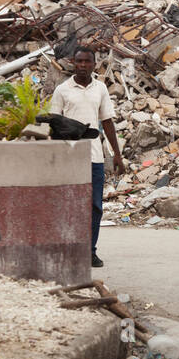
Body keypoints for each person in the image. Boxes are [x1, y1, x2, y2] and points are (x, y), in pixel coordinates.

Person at [50, 47, 124, 268]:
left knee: (94, 206)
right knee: (69, 205)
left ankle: (90, 251)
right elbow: (53, 123)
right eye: (79, 61)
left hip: (94, 156)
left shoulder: (100, 88)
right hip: (69, 157)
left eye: (87, 62)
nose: (83, 65)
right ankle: (69, 249)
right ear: (73, 63)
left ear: (94, 64)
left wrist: (117, 155)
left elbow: (107, 122)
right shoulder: (62, 90)